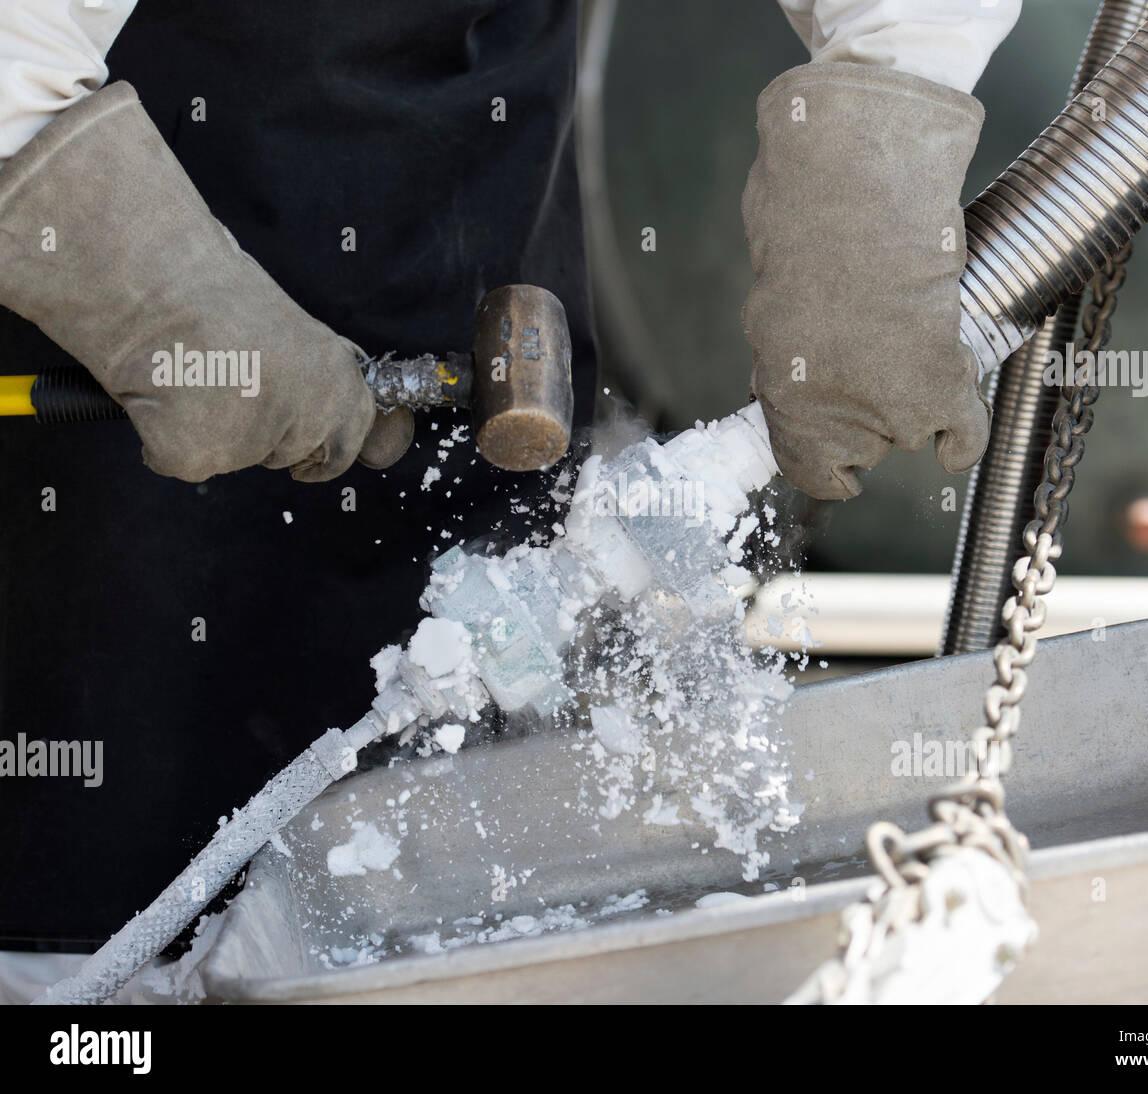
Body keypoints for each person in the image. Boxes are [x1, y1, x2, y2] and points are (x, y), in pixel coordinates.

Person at [0, 0, 1019, 997]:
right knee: (105, 940)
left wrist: (884, 136)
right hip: (119, 415)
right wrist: (150, 298)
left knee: (455, 893)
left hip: (473, 273)